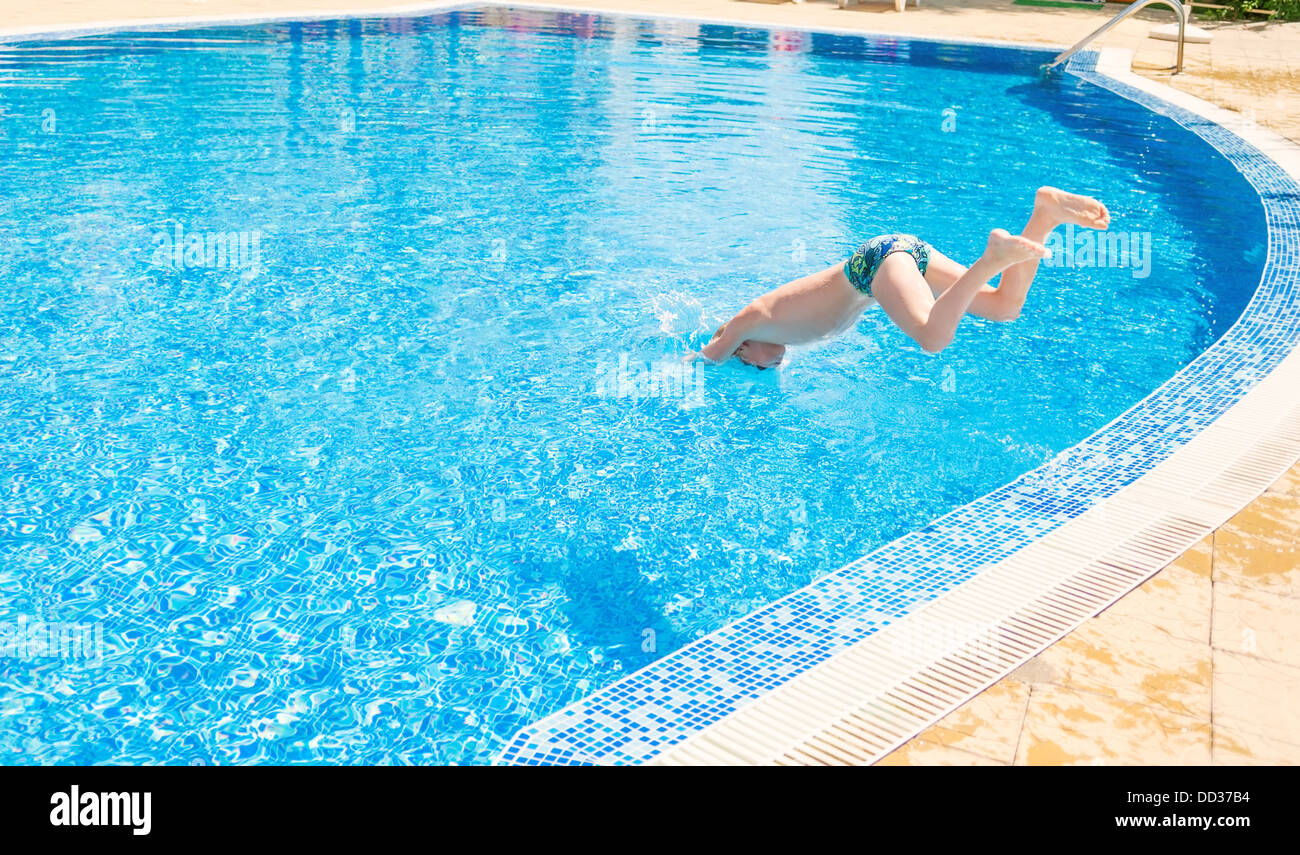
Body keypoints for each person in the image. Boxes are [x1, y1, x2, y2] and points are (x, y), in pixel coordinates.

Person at [693, 187, 1110, 368]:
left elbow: (706, 357)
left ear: (741, 349)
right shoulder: (780, 329)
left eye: (757, 365)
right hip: (892, 255)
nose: (771, 365)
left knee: (933, 337)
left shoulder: (748, 321)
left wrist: (683, 364)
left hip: (875, 265)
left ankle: (993, 258)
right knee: (1005, 307)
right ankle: (1045, 214)